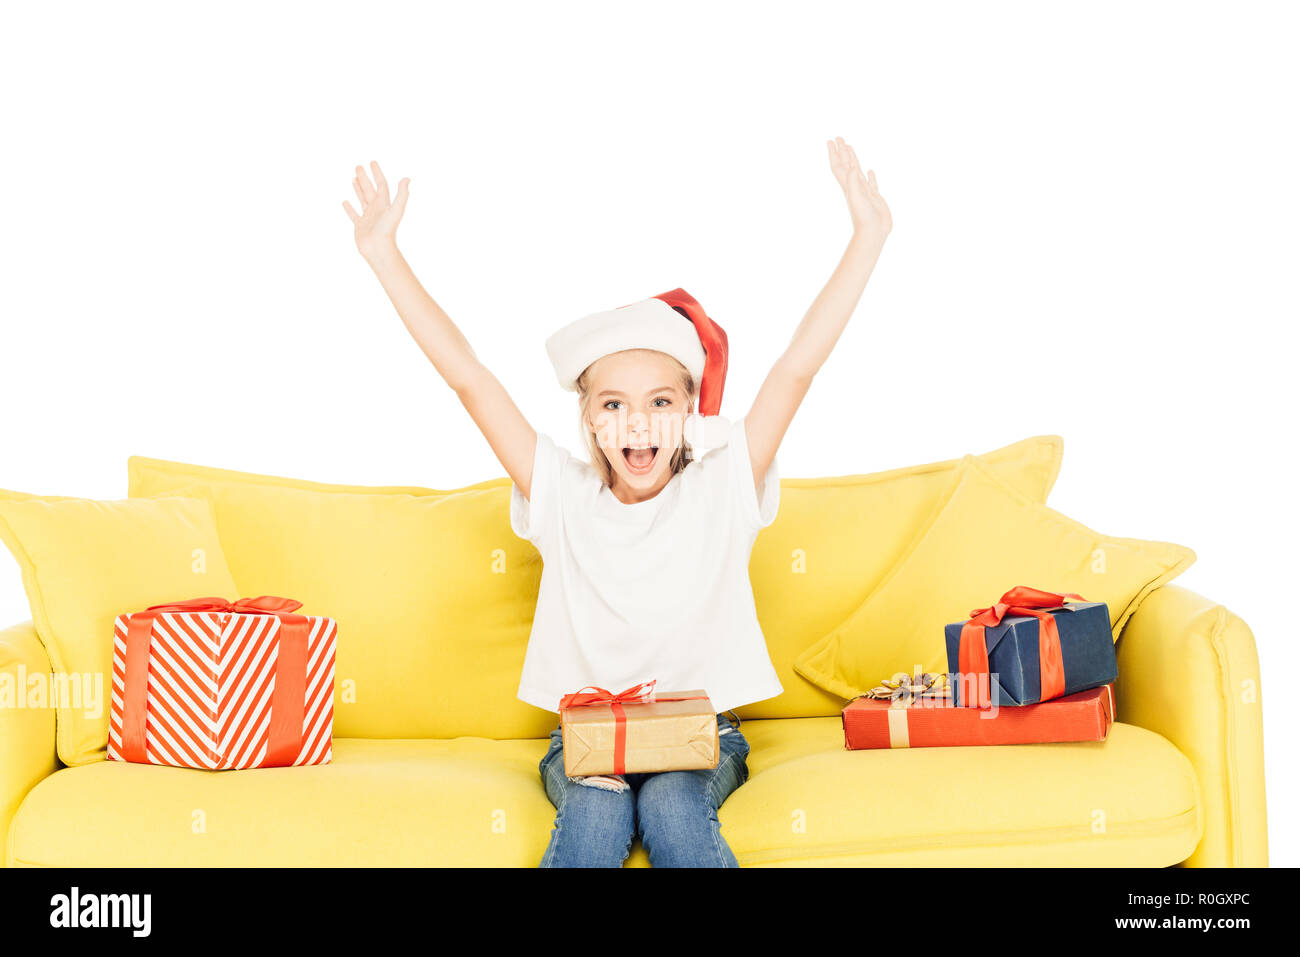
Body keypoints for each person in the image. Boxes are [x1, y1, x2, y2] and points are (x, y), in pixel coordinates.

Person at [343, 136, 892, 866]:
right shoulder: (562, 497)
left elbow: (796, 369)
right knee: (599, 813)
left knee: (670, 803)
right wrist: (384, 254)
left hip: (699, 734)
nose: (637, 422)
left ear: (690, 413)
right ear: (590, 419)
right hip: (587, 733)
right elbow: (469, 378)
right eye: (614, 403)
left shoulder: (722, 486)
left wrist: (868, 237)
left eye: (660, 401)